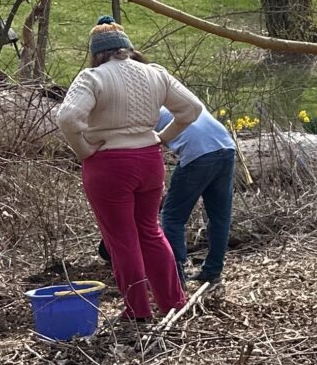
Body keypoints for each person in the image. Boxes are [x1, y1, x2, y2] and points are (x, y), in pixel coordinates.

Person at [55, 18, 201, 324]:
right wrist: (162, 137)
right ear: (127, 47)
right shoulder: (154, 73)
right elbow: (191, 109)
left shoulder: (92, 78)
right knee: (150, 231)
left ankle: (138, 310)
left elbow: (68, 118)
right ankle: (174, 302)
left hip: (109, 165)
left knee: (122, 240)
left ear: (97, 52)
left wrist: (84, 150)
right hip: (150, 161)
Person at [157, 105, 237, 286]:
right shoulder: (176, 101)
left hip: (198, 154)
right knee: (219, 218)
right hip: (227, 147)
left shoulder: (146, 112)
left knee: (172, 216)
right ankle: (213, 271)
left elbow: (148, 150)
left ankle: (179, 272)